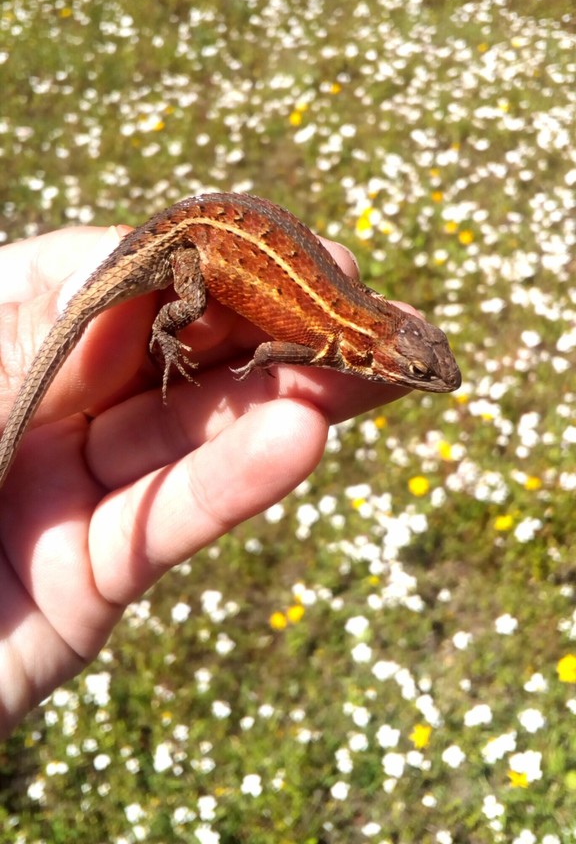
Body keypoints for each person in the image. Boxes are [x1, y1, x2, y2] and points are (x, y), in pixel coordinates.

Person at [0, 221, 414, 740]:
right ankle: (159, 333)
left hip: (201, 233)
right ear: (382, 357)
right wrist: (167, 332)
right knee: (189, 309)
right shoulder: (333, 339)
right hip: (187, 243)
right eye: (416, 373)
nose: (430, 382)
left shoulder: (348, 322)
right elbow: (266, 352)